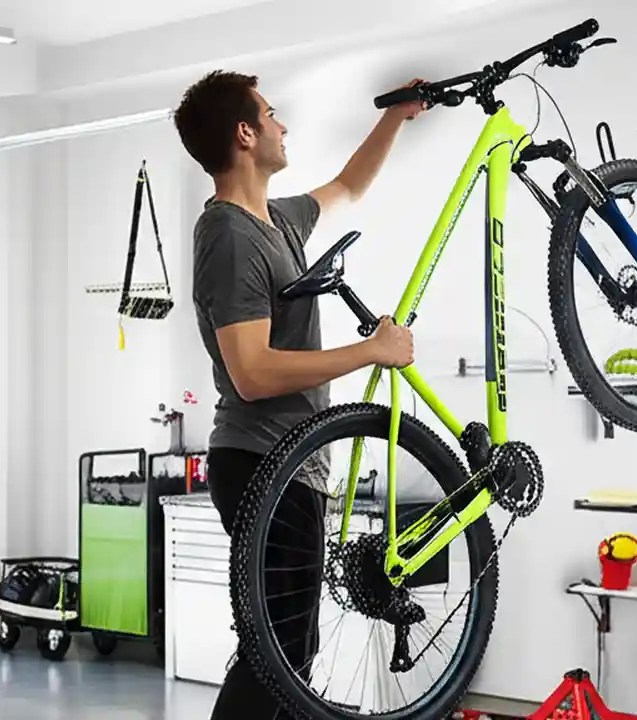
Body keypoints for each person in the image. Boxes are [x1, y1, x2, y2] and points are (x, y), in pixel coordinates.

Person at [174, 70, 427, 719]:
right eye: (271, 114)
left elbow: (347, 186)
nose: (282, 126)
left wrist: (395, 116)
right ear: (245, 133)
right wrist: (372, 350)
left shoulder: (278, 222)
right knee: (280, 653)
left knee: (287, 649)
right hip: (259, 460)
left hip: (293, 464)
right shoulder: (228, 236)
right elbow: (252, 373)